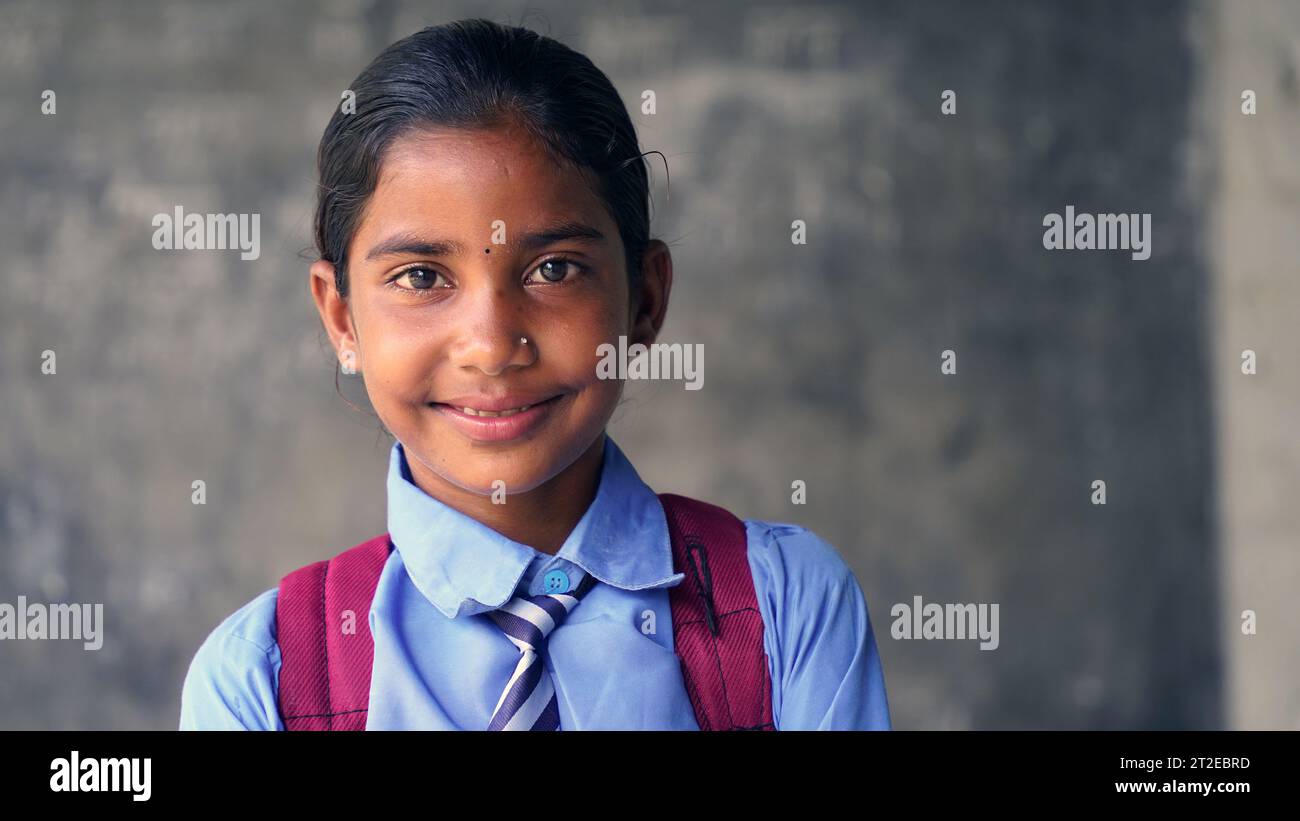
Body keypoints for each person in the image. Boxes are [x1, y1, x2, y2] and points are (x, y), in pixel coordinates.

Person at [179, 17, 890, 731]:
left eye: (554, 269)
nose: (491, 346)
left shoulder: (784, 607)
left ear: (646, 299)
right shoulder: (261, 679)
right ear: (341, 319)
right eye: (421, 275)